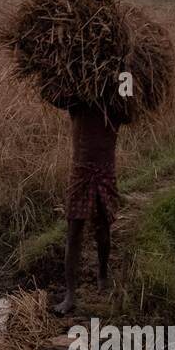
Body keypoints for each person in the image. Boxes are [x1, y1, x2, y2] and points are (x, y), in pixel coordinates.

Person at [54, 103, 122, 316]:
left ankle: (102, 274)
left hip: (105, 171)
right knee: (74, 231)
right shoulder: (77, 102)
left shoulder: (114, 105)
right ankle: (70, 295)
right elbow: (54, 96)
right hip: (81, 171)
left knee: (103, 227)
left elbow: (130, 111)